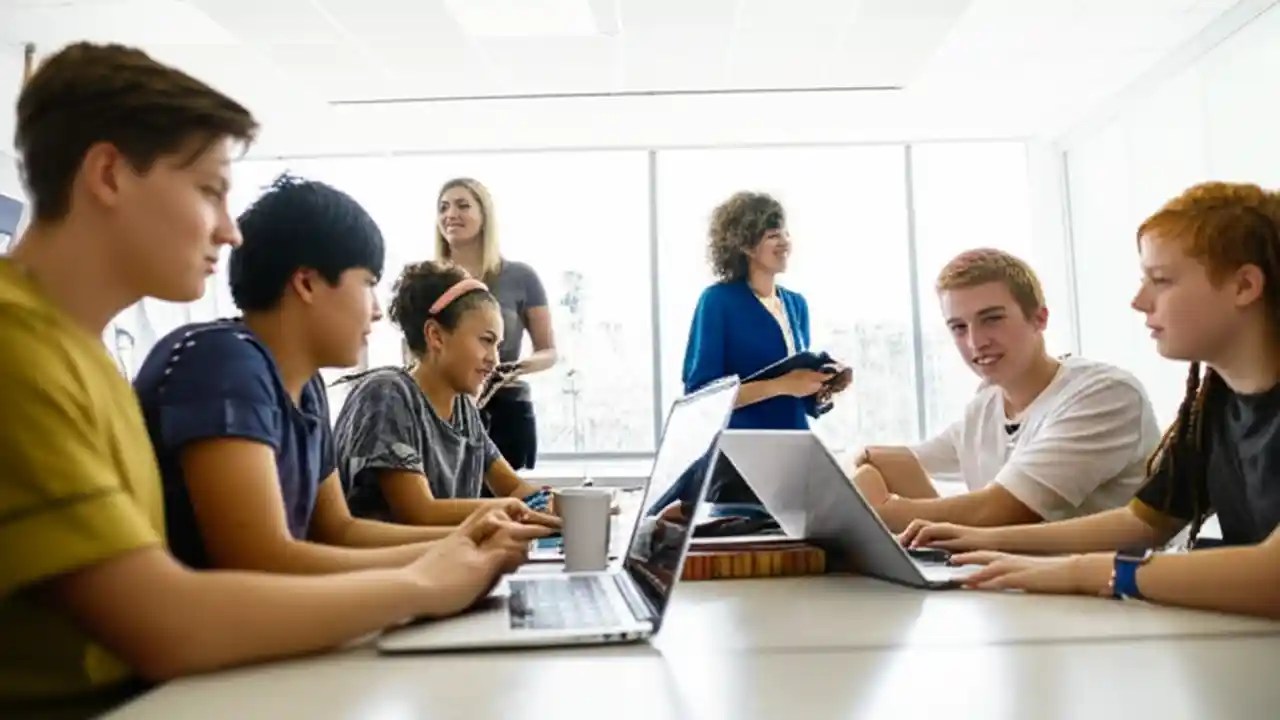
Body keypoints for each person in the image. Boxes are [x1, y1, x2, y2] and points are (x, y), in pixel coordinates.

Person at [0, 43, 545, 716]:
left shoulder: (75, 354)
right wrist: (425, 582)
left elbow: (328, 535)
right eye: (208, 191)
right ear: (109, 174)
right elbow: (171, 618)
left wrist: (456, 550)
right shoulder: (18, 350)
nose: (231, 231)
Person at [901, 182, 1280, 619]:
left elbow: (1274, 573)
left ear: (1245, 285)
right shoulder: (1214, 403)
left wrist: (1090, 572)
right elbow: (1141, 523)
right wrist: (983, 539)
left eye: (1161, 280)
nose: (1139, 301)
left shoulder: (1109, 391)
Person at [850, 249, 1160, 532]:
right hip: (1007, 582)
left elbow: (1003, 511)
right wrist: (862, 460)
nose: (976, 342)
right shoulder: (986, 403)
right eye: (959, 327)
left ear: (1039, 318)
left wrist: (877, 511)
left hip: (1100, 587)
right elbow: (900, 461)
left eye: (992, 319)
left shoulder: (1105, 394)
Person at [652, 191, 851, 516]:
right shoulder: (718, 302)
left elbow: (797, 394)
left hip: (794, 453)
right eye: (773, 235)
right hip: (741, 459)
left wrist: (823, 387)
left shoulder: (795, 304)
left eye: (785, 232)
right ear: (745, 245)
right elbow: (703, 395)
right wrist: (783, 384)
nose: (785, 241)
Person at [333, 261, 562, 526]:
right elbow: (420, 512)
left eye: (497, 345)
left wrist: (570, 505)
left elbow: (514, 489)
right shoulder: (386, 394)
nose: (495, 360)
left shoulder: (463, 408)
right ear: (436, 336)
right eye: (486, 341)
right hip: (383, 566)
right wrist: (510, 509)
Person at [434, 178, 556, 472]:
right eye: (444, 207)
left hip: (506, 411)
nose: (451, 214)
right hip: (444, 411)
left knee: (508, 505)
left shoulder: (521, 277)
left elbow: (548, 351)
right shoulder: (429, 281)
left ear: (484, 215)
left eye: (463, 205)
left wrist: (514, 369)